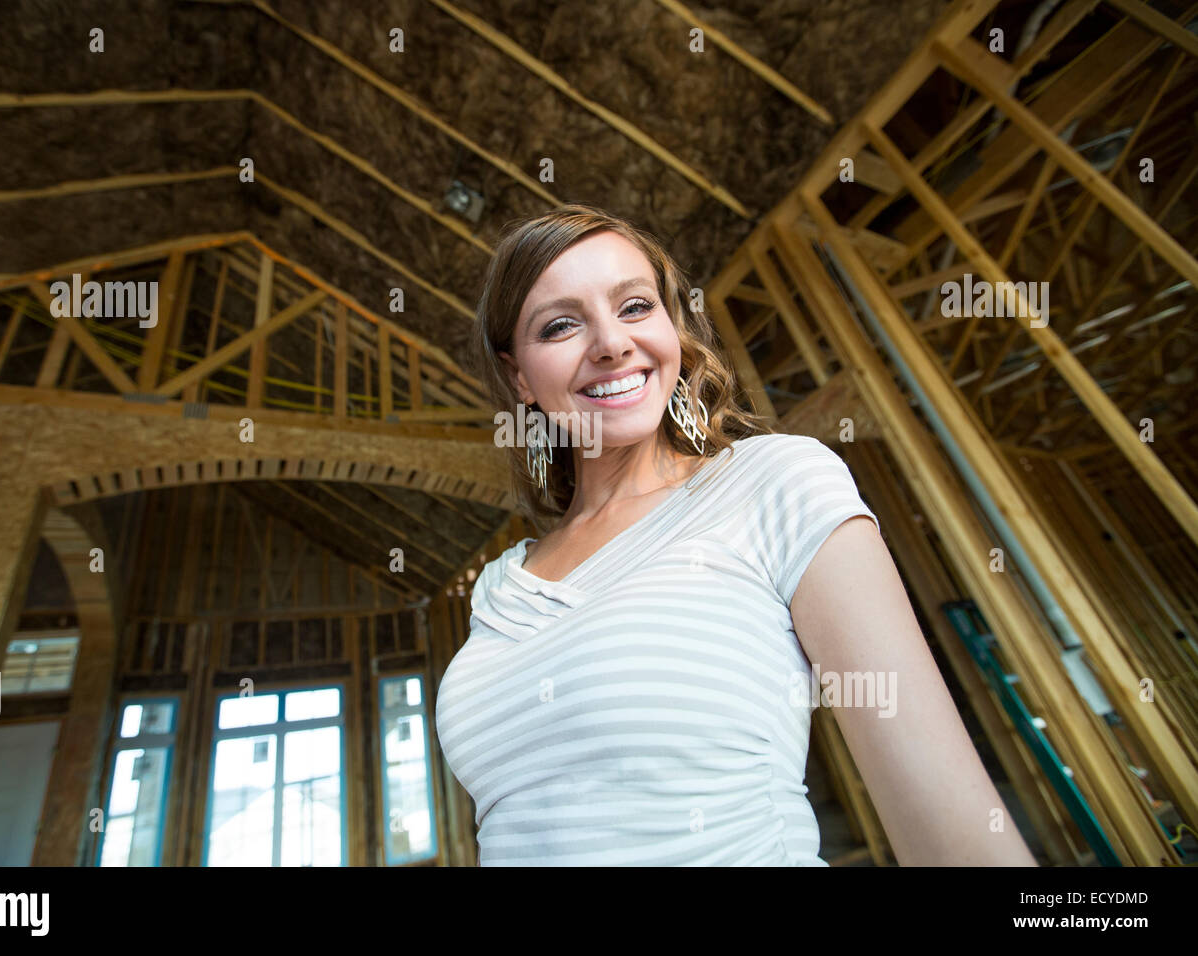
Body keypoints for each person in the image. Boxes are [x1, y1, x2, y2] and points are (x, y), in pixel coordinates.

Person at [436, 203, 1037, 867]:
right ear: (519, 375)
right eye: (560, 325)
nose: (611, 342)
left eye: (635, 307)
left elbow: (953, 831)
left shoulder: (775, 483)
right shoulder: (498, 588)